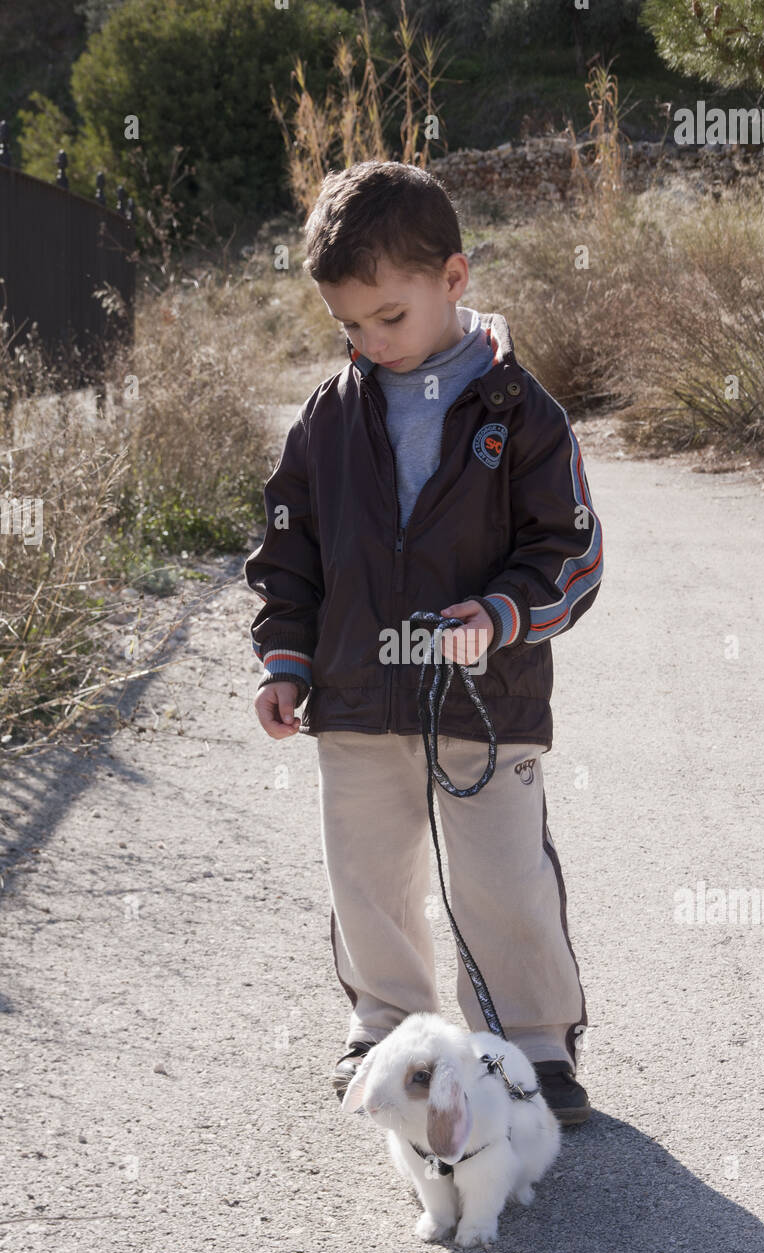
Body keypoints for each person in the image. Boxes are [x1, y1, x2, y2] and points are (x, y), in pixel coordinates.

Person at [244, 161, 603, 1124]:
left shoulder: (520, 413)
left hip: (488, 699)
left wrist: (501, 612)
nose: (370, 342)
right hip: (357, 694)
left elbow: (569, 552)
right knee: (367, 875)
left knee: (503, 876)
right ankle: (389, 1028)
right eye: (349, 326)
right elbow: (290, 550)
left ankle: (529, 1047)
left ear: (455, 278)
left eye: (389, 318)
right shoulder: (329, 415)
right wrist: (286, 657)